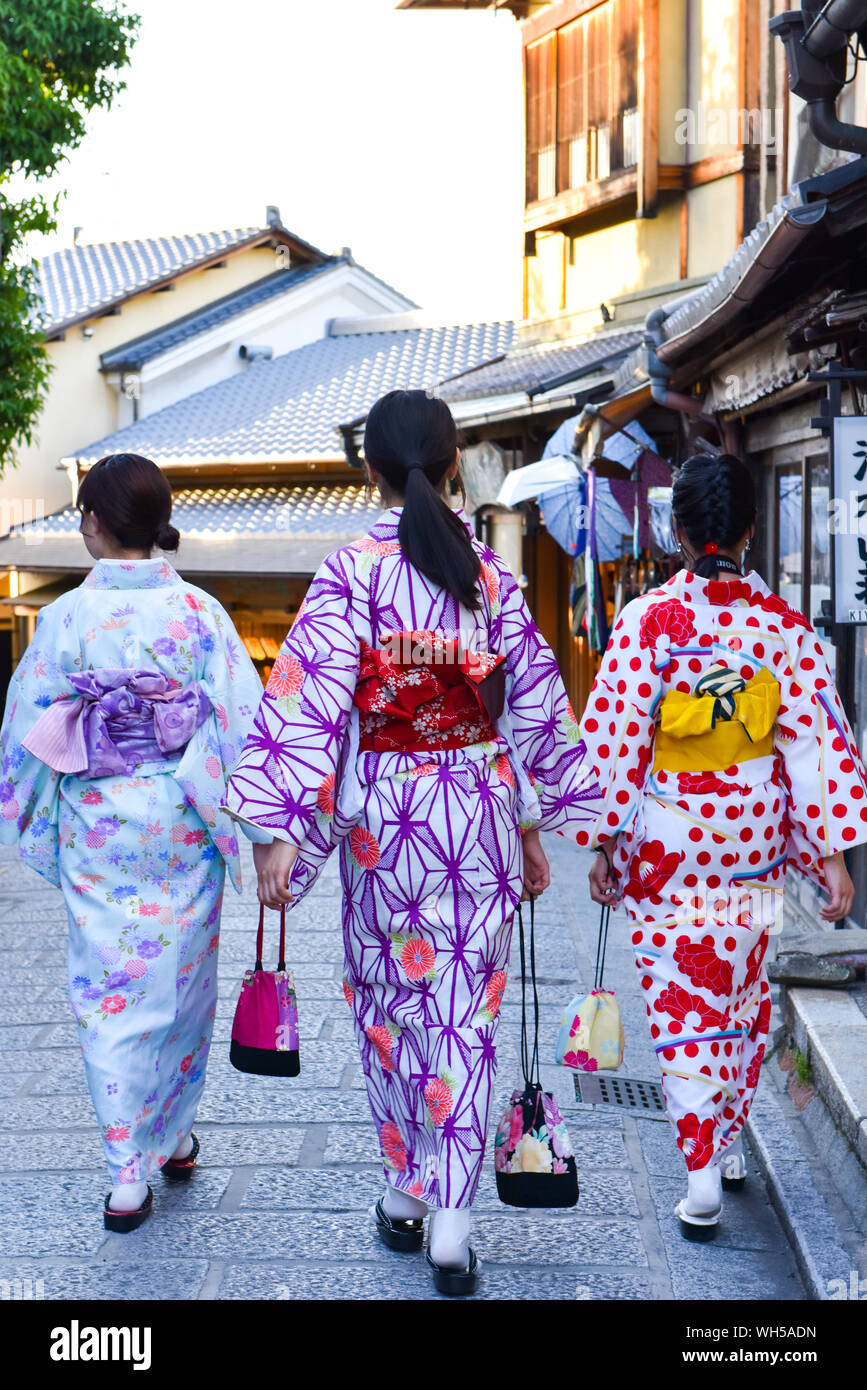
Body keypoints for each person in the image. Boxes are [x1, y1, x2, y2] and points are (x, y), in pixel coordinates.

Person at [223, 389, 601, 1294]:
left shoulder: (351, 571)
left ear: (371, 474)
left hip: (386, 818)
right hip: (474, 805)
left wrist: (277, 830)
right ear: (453, 467)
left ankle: (408, 1190)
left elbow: (308, 699)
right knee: (464, 1010)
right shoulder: (492, 577)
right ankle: (449, 1218)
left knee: (392, 999)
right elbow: (536, 711)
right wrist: (542, 825)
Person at [580, 452, 867, 1240]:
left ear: (676, 532)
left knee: (682, 1006)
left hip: (669, 843)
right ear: (748, 531)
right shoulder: (784, 629)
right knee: (739, 997)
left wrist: (604, 840)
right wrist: (830, 857)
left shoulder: (647, 622)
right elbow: (814, 745)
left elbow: (614, 742)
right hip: (752, 839)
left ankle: (700, 1173)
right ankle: (726, 1138)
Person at [0, 454, 266, 1232]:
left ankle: (126, 1170)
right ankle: (173, 1133)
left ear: (92, 521)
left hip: (99, 823)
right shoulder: (200, 614)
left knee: (106, 987)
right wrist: (256, 829)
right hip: (181, 813)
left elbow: (25, 732)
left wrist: (36, 815)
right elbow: (242, 722)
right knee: (181, 983)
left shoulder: (67, 620)